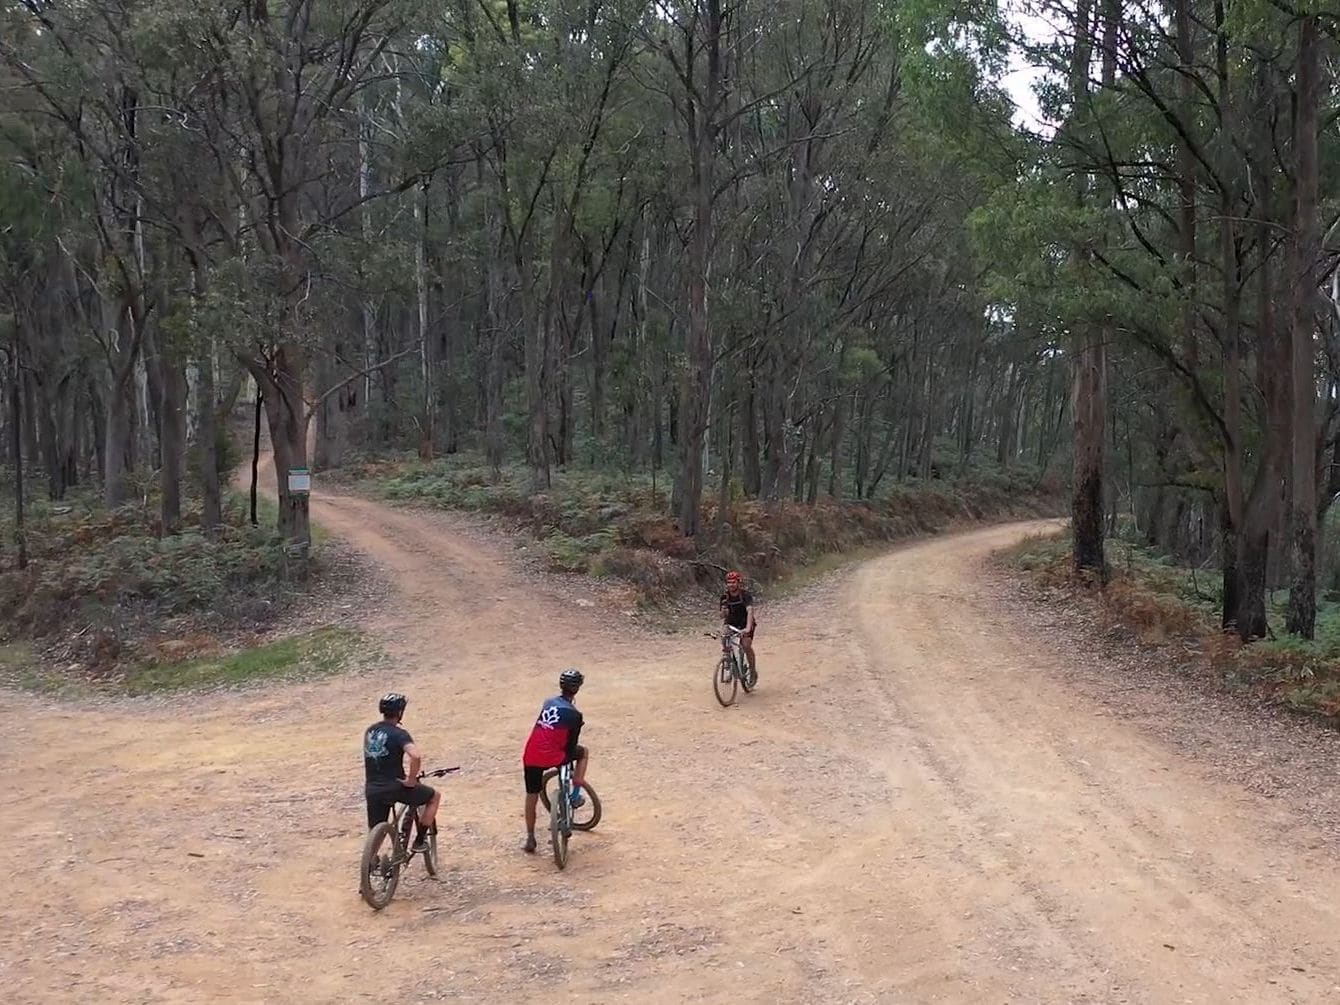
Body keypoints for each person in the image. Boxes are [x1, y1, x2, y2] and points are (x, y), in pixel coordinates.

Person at [521, 668, 589, 854]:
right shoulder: (575, 715)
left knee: (531, 794)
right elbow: (570, 745)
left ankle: (530, 837)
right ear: (577, 689)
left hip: (531, 754)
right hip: (554, 755)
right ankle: (575, 796)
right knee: (582, 753)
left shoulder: (548, 702)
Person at [363, 693, 441, 852]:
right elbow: (416, 756)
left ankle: (371, 861)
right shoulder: (399, 734)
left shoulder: (370, 732)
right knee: (434, 797)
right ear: (400, 712)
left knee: (376, 829)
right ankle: (419, 842)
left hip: (372, 789)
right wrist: (411, 780)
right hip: (395, 786)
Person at [720, 570, 758, 683]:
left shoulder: (745, 595)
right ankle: (729, 665)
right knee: (724, 637)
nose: (731, 585)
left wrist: (747, 628)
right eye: (729, 582)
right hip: (731, 623)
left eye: (733, 582)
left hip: (745, 622)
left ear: (738, 583)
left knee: (746, 645)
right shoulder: (724, 597)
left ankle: (752, 671)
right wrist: (723, 612)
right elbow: (721, 615)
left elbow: (750, 611)